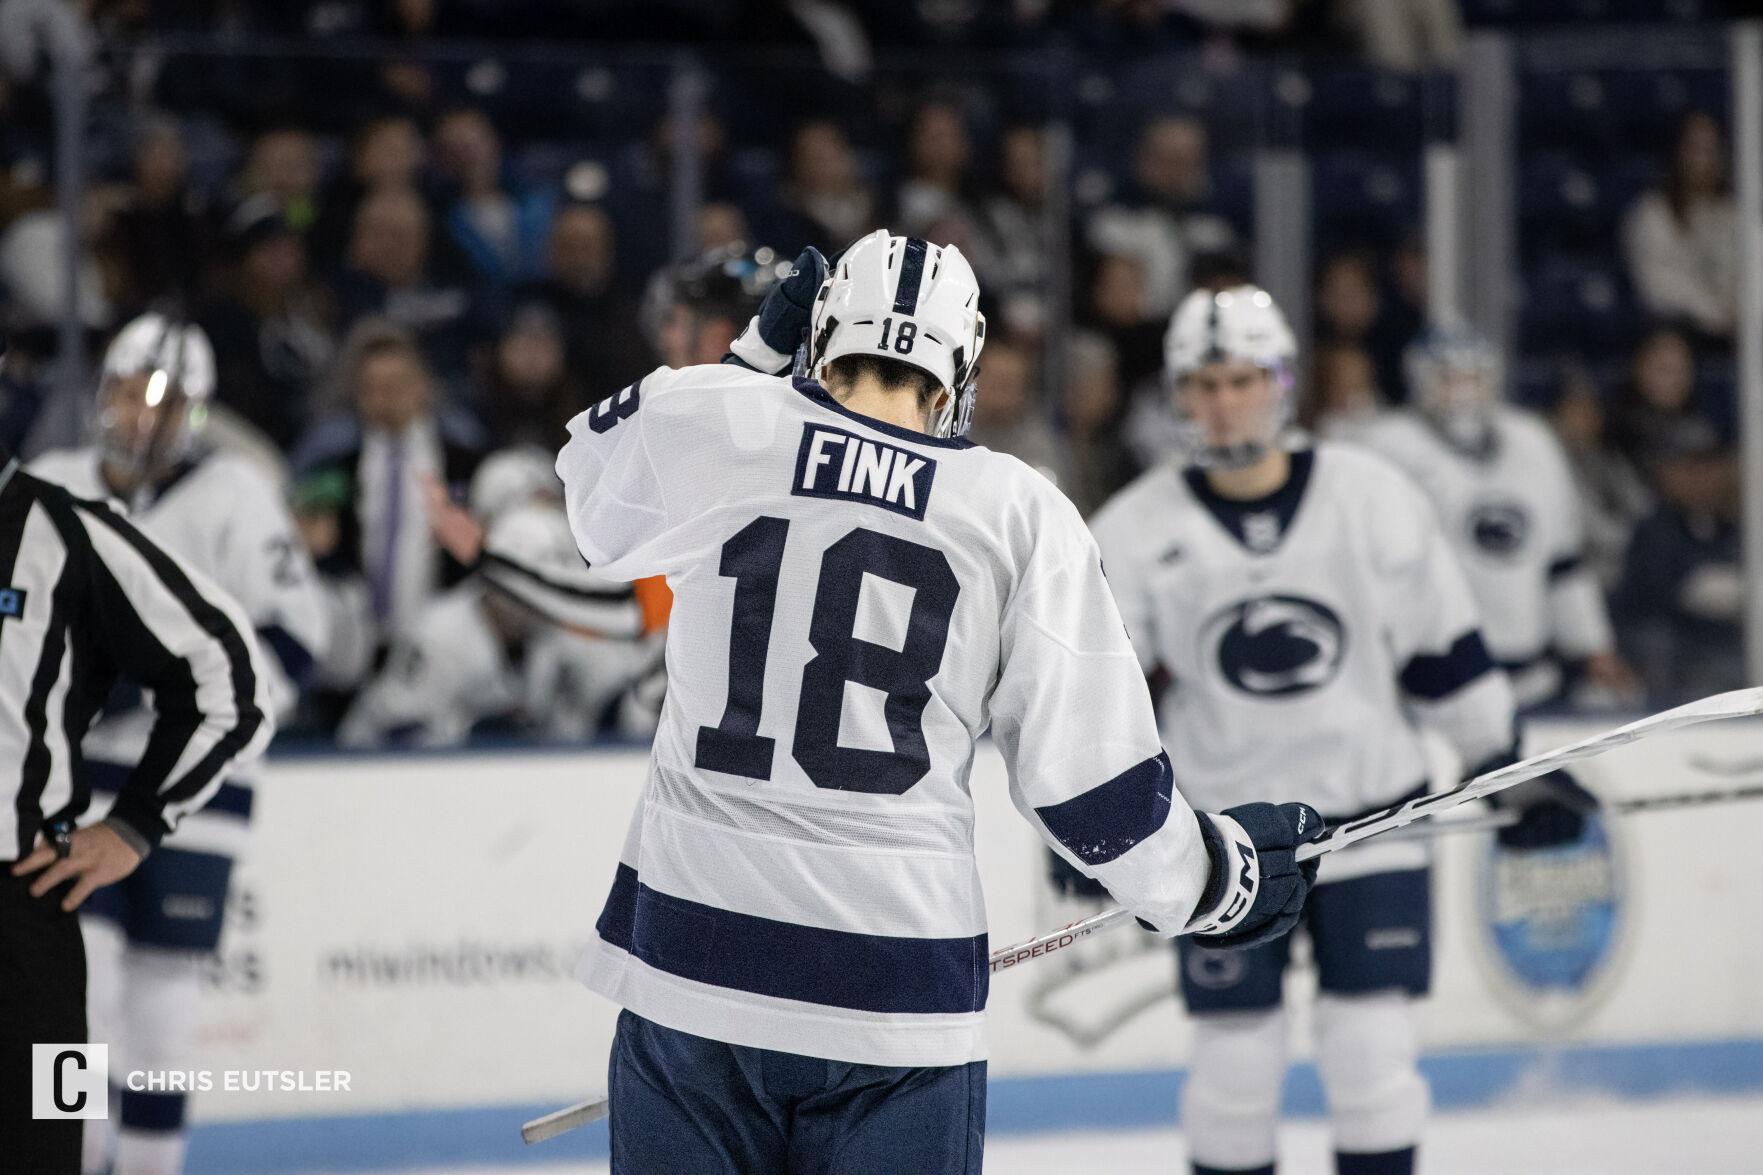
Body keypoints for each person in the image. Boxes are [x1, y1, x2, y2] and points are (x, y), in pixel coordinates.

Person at [554, 231, 1326, 1173]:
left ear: (818, 334)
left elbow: (591, 501)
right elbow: (1093, 789)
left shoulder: (721, 420)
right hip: (895, 985)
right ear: (958, 365)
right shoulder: (1014, 507)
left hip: (689, 960)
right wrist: (1212, 879)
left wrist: (749, 360)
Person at [1088, 287, 1592, 1175]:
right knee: (1232, 1069)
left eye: (1241, 379)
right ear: (1175, 394)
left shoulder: (1370, 496)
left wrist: (1503, 765)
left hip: (1375, 819)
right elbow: (1097, 695)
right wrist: (1098, 816)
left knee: (1372, 1057)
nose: (1223, 402)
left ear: (1279, 382)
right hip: (1226, 840)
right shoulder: (1131, 530)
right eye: (1202, 385)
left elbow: (1445, 655)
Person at [29, 315, 328, 1175]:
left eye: (163, 400)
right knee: (75, 1000)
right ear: (102, 395)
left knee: (163, 1014)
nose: (141, 417)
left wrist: (174, 698)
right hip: (68, 789)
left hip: (198, 792)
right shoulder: (52, 485)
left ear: (195, 410)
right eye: (127, 393)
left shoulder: (235, 492)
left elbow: (296, 640)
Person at [1359, 327, 1638, 710]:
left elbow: (1562, 560)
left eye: (1471, 377)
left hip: (1533, 679)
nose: (1461, 391)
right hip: (1430, 684)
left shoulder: (1532, 440)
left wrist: (1593, 646)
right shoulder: (1384, 446)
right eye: (1448, 377)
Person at [339, 501, 642, 747]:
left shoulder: (561, 629)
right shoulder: (440, 633)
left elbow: (619, 702)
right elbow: (394, 732)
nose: (545, 601)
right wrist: (468, 734)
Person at [1622, 111, 1738, 342]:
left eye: (1710, 150)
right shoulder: (1651, 214)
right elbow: (1657, 288)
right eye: (1694, 148)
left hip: (1733, 336)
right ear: (1676, 151)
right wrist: (1712, 312)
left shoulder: (1733, 214)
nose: (1702, 160)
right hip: (1674, 334)